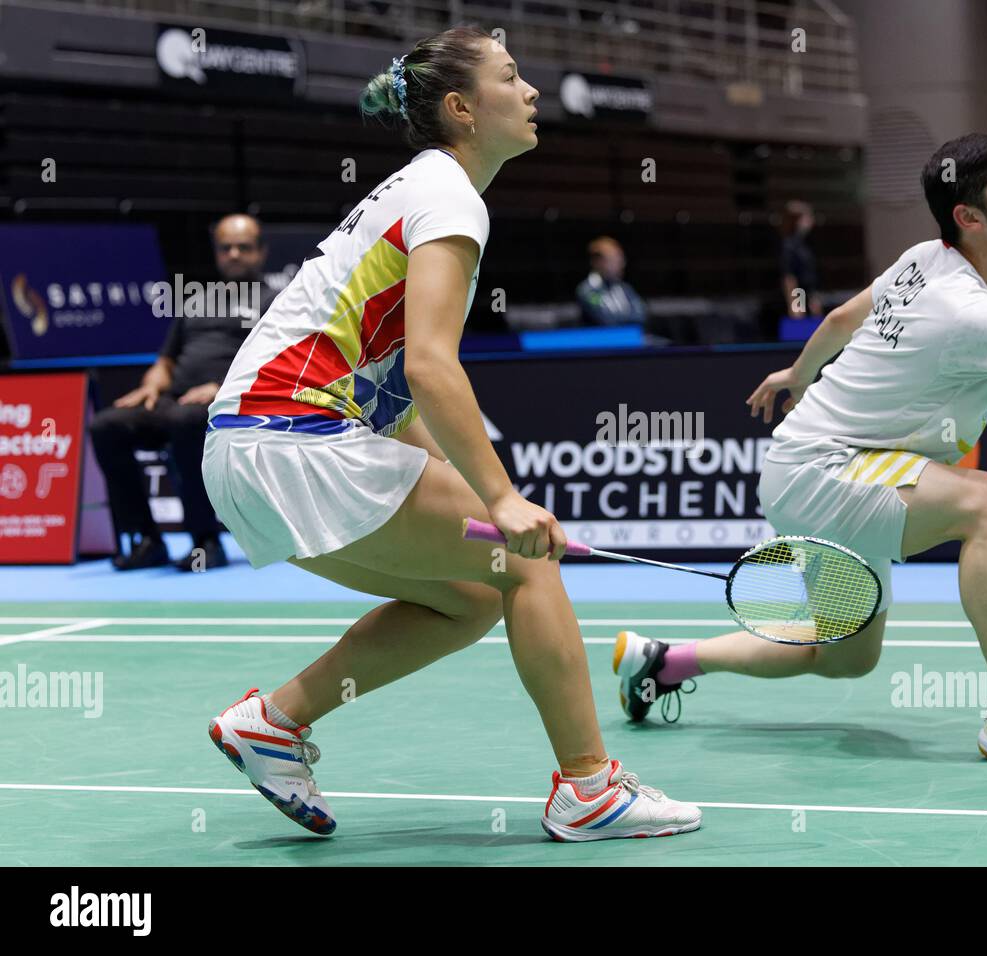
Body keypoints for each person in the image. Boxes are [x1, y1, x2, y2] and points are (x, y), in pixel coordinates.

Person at [201, 27, 700, 842]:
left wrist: (474, 493)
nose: (532, 91)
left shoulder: (420, 190)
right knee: (524, 567)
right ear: (463, 108)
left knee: (470, 597)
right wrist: (501, 500)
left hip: (248, 451)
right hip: (292, 437)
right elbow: (433, 366)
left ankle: (274, 722)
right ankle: (590, 791)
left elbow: (397, 387)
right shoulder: (448, 196)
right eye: (513, 77)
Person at [613, 132, 987, 768]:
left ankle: (664, 661)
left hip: (813, 471)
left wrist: (797, 375)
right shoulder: (969, 310)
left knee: (845, 659)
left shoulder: (924, 259)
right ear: (969, 217)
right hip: (826, 471)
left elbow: (839, 321)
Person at [89, 214, 271, 571]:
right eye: (225, 247)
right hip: (175, 400)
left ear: (261, 252)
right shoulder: (199, 300)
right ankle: (146, 540)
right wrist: (152, 384)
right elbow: (166, 360)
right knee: (106, 426)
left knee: (186, 421)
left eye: (243, 247)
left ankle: (206, 541)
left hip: (233, 403)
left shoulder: (277, 303)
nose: (233, 254)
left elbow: (279, 364)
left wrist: (222, 388)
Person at [575, 236, 647, 326]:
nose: (621, 264)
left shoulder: (625, 288)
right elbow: (604, 319)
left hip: (629, 336)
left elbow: (641, 315)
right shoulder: (588, 291)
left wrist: (619, 318)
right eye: (614, 260)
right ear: (598, 262)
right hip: (602, 338)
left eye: (621, 259)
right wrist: (627, 317)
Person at [779, 200, 823, 319]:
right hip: (799, 296)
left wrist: (814, 298)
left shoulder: (805, 244)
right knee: (799, 334)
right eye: (807, 217)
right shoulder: (789, 245)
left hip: (810, 295)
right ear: (796, 220)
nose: (810, 220)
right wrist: (796, 305)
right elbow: (789, 278)